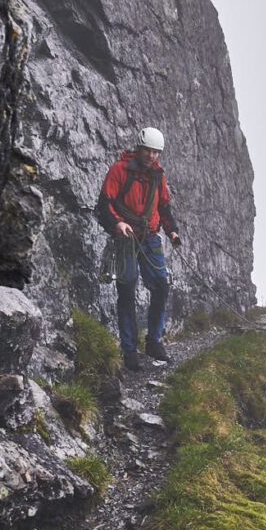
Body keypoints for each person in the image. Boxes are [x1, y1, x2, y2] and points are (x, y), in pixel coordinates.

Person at [100, 127, 182, 370]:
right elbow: (104, 203)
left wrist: (173, 231)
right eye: (148, 150)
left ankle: (153, 342)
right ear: (139, 148)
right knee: (127, 288)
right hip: (126, 236)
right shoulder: (119, 170)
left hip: (150, 237)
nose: (151, 156)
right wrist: (117, 223)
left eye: (156, 152)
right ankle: (129, 350)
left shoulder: (158, 176)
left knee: (161, 286)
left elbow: (164, 207)